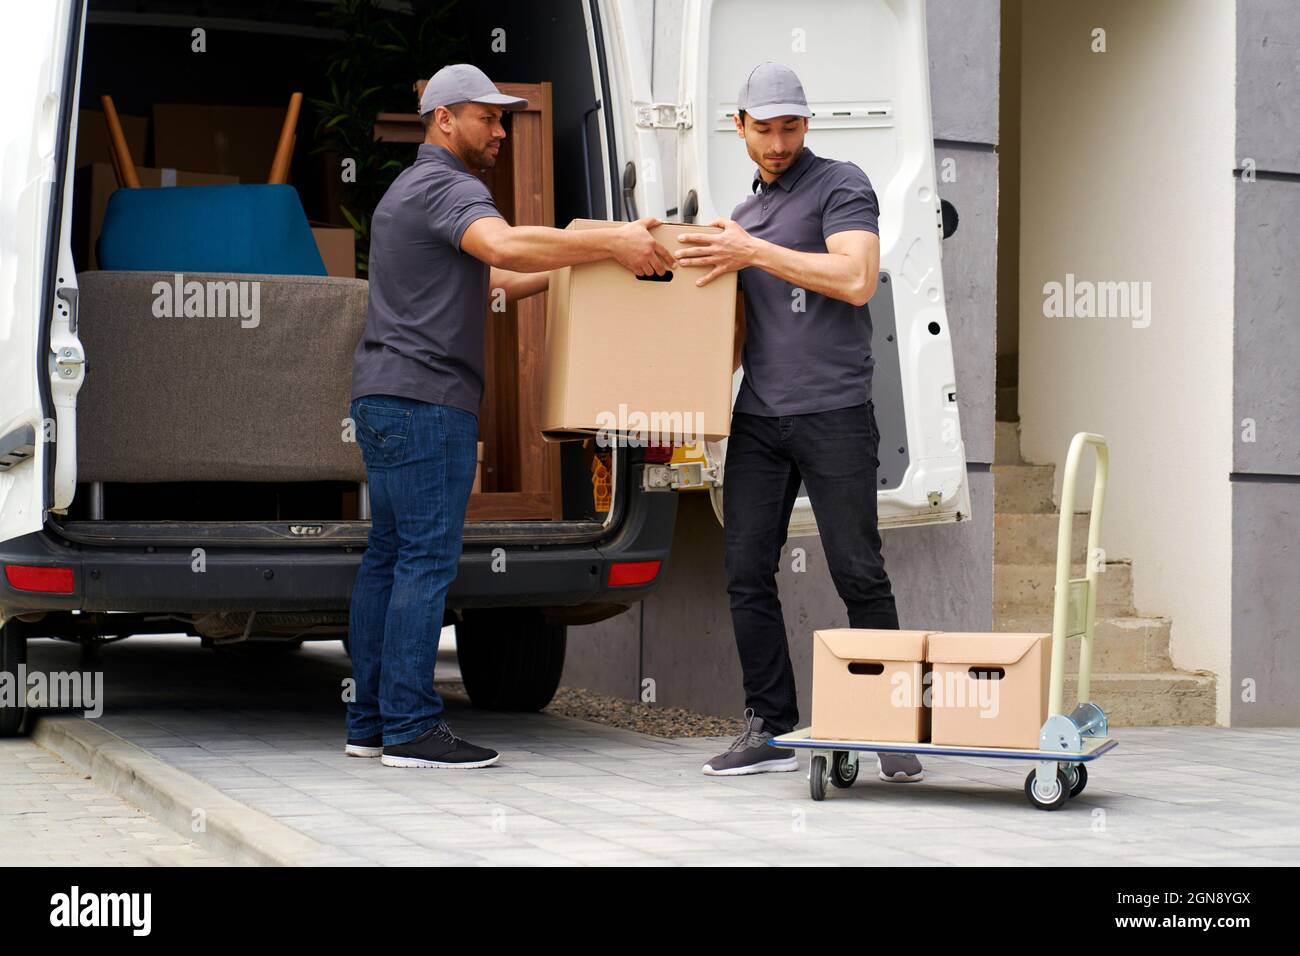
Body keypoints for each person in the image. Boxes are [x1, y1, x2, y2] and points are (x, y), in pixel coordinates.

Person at [346, 63, 674, 769]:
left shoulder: (408, 191)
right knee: (425, 563)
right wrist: (613, 240)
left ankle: (370, 722)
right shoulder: (449, 185)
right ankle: (409, 728)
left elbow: (489, 277)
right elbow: (500, 245)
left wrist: (581, 267)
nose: (500, 129)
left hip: (382, 397)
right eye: (487, 117)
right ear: (443, 119)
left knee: (389, 560)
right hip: (428, 404)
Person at [674, 62, 923, 783]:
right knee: (746, 569)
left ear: (806, 125)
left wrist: (750, 251)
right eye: (765, 129)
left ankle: (890, 722)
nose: (778, 143)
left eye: (790, 127)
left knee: (858, 571)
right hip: (760, 418)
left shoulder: (841, 184)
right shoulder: (740, 222)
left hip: (836, 412)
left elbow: (853, 279)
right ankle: (771, 725)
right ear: (741, 128)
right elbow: (736, 337)